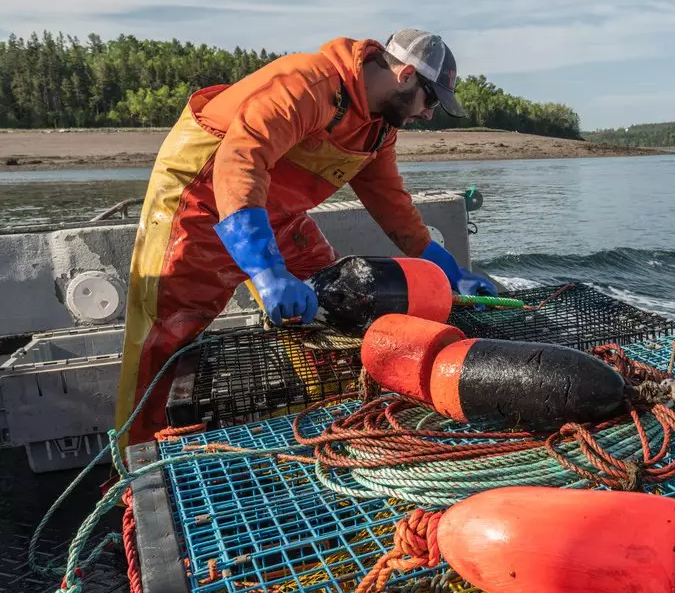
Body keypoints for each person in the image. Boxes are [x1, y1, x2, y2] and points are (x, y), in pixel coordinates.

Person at [114, 28, 496, 446]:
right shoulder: (309, 84)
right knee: (166, 335)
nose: (429, 114)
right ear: (405, 75)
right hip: (200, 199)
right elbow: (239, 163)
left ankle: (319, 429)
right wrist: (267, 270)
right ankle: (138, 475)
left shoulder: (379, 129)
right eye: (432, 100)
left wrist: (451, 272)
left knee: (334, 307)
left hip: (278, 213)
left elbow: (393, 205)